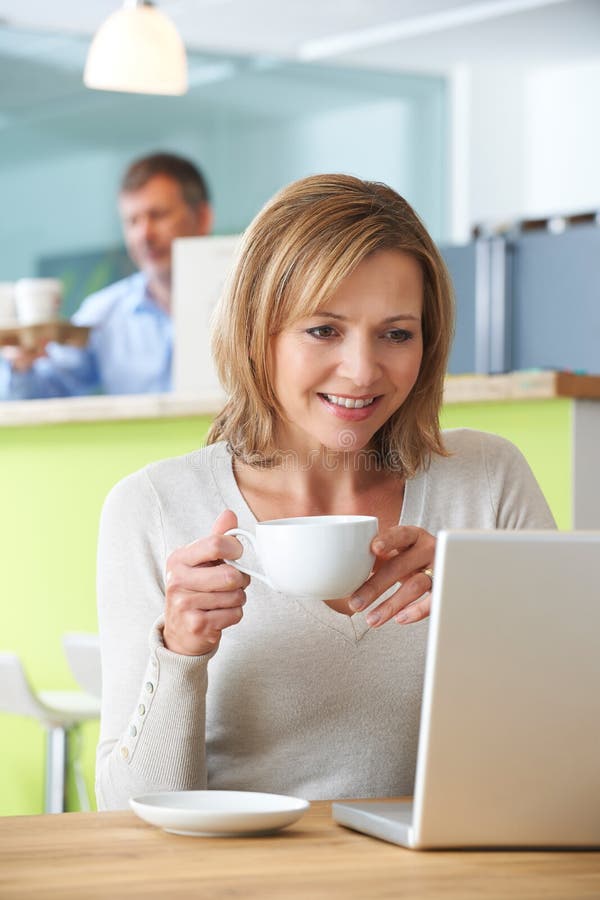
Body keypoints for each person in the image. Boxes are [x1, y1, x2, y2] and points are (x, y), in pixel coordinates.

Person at [95, 173, 555, 811]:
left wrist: (491, 609)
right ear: (257, 332)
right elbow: (126, 813)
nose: (363, 371)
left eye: (397, 333)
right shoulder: (153, 507)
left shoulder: (488, 481)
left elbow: (568, 760)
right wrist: (178, 653)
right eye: (323, 330)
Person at [0, 152, 213, 400]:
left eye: (158, 215)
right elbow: (40, 393)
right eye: (132, 221)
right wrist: (20, 366)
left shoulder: (244, 305)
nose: (144, 235)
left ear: (202, 218)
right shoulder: (104, 314)